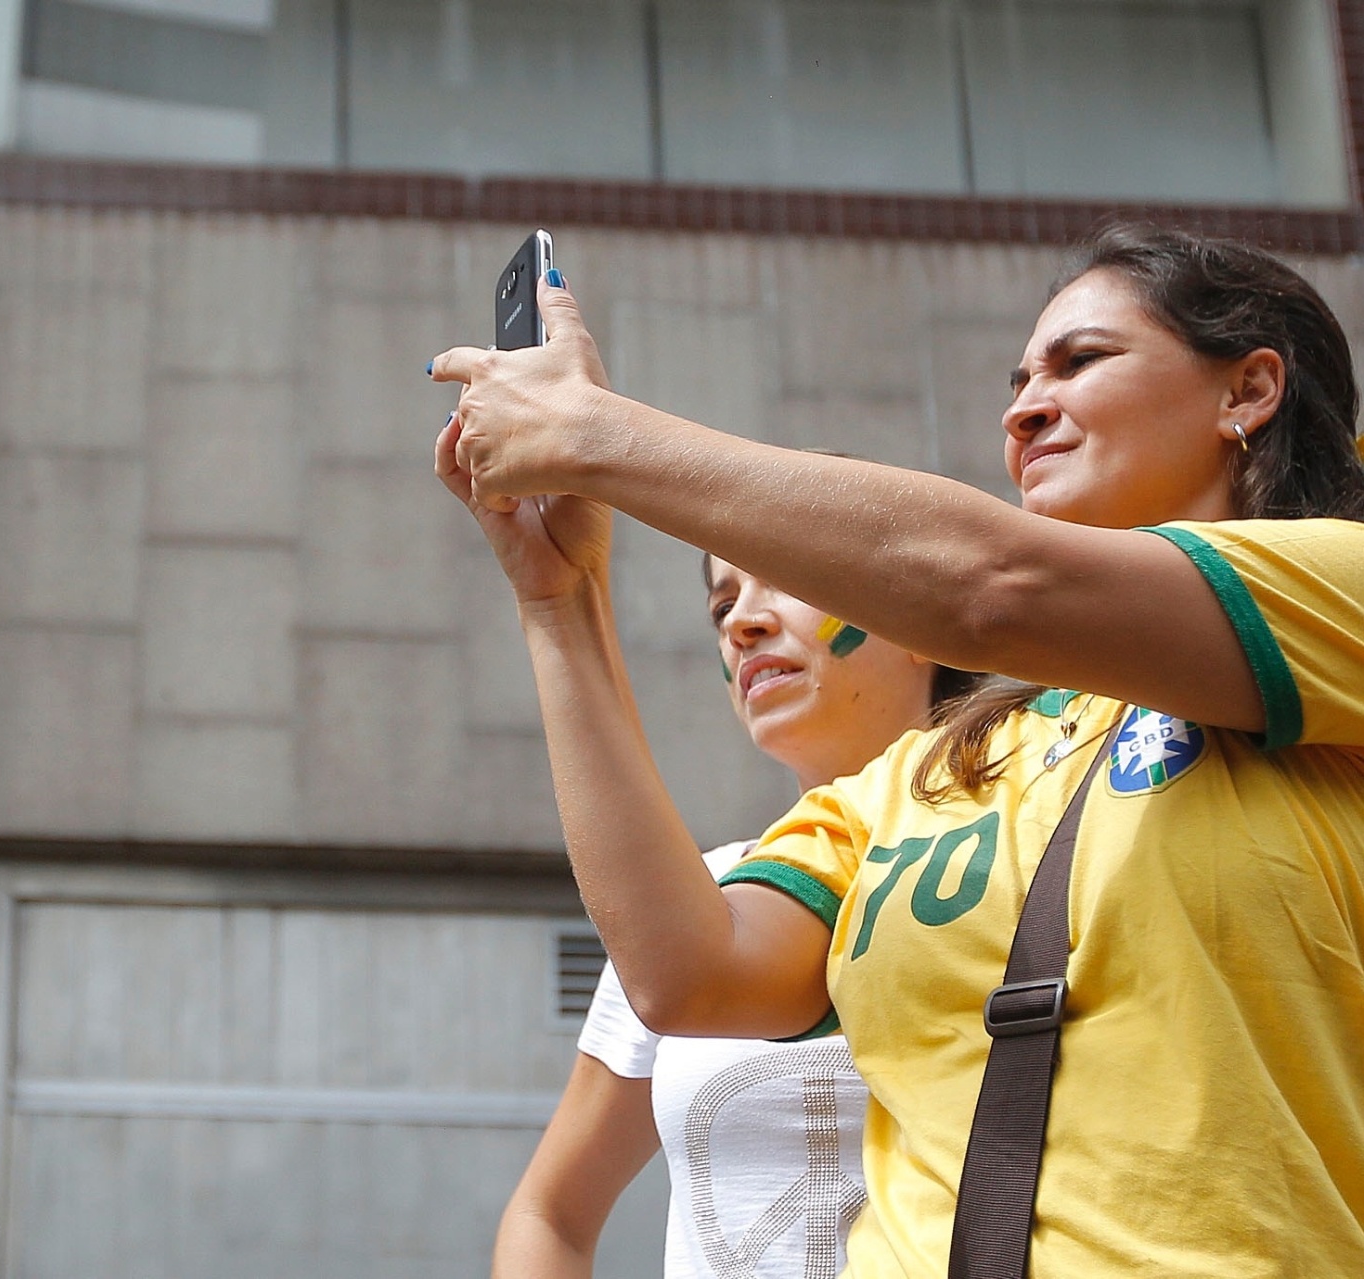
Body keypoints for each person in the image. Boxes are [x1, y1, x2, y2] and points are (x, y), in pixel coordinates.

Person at [431, 223, 1364, 1277]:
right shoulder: (928, 771)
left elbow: (989, 586)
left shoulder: (1343, 595)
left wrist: (594, 435)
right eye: (1016, 381)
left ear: (1248, 391)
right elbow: (687, 974)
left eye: (1080, 361)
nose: (1023, 408)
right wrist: (560, 601)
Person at [494, 549, 974, 1279]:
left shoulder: (1033, 856)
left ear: (923, 622)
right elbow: (550, 1213)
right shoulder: (695, 904)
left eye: (796, 577)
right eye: (722, 607)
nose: (742, 624)